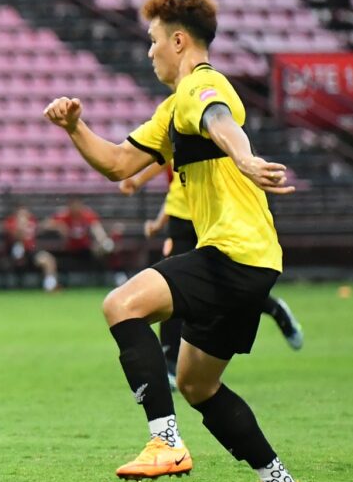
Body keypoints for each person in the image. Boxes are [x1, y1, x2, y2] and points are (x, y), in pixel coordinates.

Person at [44, 0, 309, 482]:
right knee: (197, 385)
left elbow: (220, 121)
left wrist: (246, 158)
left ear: (180, 41)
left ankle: (165, 443)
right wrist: (76, 128)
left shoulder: (201, 86)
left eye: (154, 41)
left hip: (233, 252)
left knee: (121, 305)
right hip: (251, 260)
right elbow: (121, 163)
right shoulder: (173, 109)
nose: (150, 51)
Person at [121, 162, 304, 386]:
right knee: (172, 285)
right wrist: (138, 182)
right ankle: (170, 362)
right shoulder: (173, 130)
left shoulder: (213, 132)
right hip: (182, 218)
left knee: (225, 288)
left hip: (213, 218)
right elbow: (160, 156)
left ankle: (275, 309)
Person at [45, 196, 116, 286]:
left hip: (86, 250)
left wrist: (102, 240)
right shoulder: (64, 216)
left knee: (105, 251)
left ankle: (113, 278)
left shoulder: (87, 215)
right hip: (69, 250)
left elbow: (97, 229)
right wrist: (59, 226)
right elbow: (46, 224)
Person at [4, 203, 58, 291]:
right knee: (18, 250)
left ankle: (50, 287)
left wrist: (47, 224)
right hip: (16, 251)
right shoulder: (11, 222)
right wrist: (20, 225)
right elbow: (16, 237)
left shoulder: (32, 221)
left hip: (31, 251)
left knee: (48, 260)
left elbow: (38, 229)